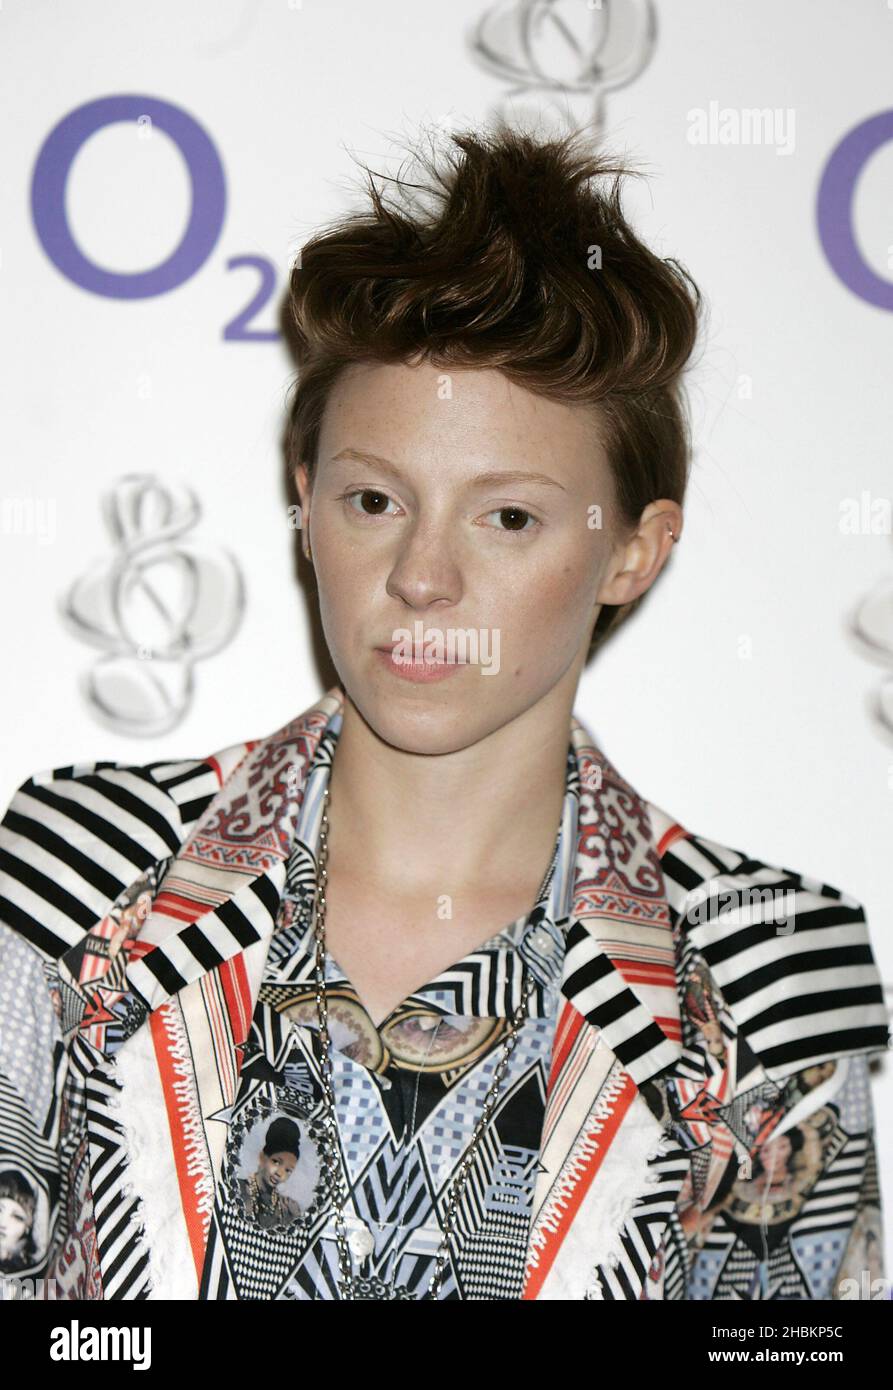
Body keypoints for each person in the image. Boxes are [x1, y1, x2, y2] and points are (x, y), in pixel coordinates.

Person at [0, 124, 888, 1301]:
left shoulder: (767, 967)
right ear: (305, 503)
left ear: (632, 549)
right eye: (374, 498)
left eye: (507, 517)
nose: (422, 578)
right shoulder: (80, 876)